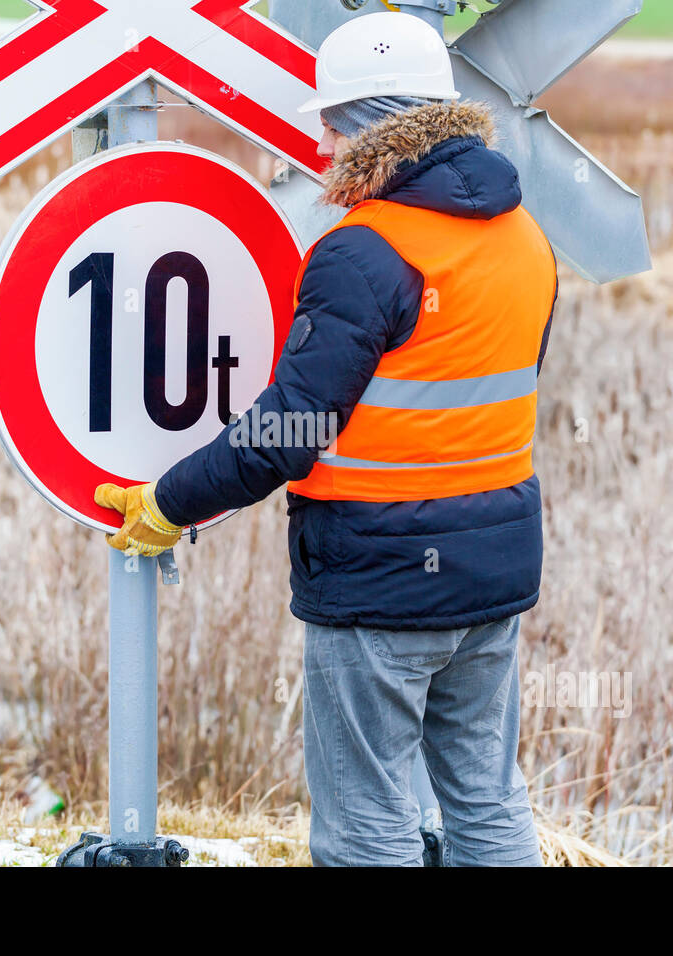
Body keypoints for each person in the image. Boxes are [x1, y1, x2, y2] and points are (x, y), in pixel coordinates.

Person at [94, 11, 556, 866]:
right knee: (489, 805)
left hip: (380, 580)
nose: (321, 139)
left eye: (332, 122)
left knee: (365, 824)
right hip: (494, 572)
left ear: (362, 125)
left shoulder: (366, 250)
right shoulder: (526, 238)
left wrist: (167, 502)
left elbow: (291, 431)